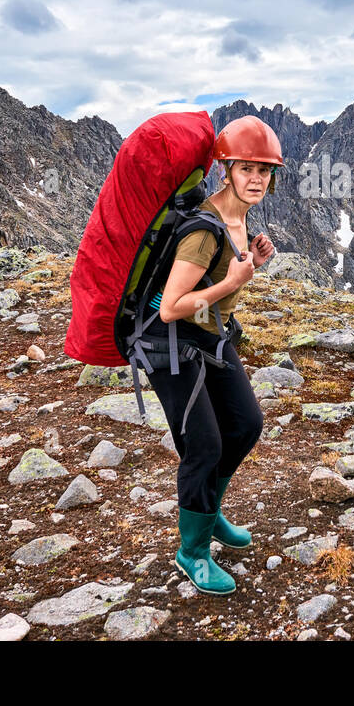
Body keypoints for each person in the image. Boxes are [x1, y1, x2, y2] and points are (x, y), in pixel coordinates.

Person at [142, 115, 281, 595]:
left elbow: (217, 294)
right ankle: (192, 552)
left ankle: (210, 511)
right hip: (171, 347)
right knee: (204, 444)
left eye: (264, 171)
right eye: (247, 169)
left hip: (207, 337)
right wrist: (233, 280)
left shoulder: (240, 221)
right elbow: (173, 309)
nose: (257, 179)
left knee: (245, 425)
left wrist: (250, 266)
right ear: (227, 170)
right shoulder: (203, 230)